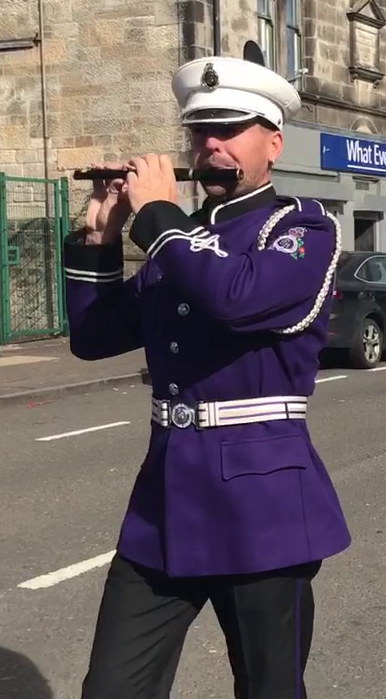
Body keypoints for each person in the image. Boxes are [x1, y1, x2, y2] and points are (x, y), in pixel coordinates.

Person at [63, 54, 351, 698]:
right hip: (167, 499)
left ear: (272, 143)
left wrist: (159, 217)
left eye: (229, 130)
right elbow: (94, 338)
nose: (211, 145)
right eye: (199, 133)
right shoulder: (182, 241)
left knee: (268, 686)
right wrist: (99, 240)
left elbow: (239, 297)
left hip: (262, 503)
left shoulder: (302, 228)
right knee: (112, 687)